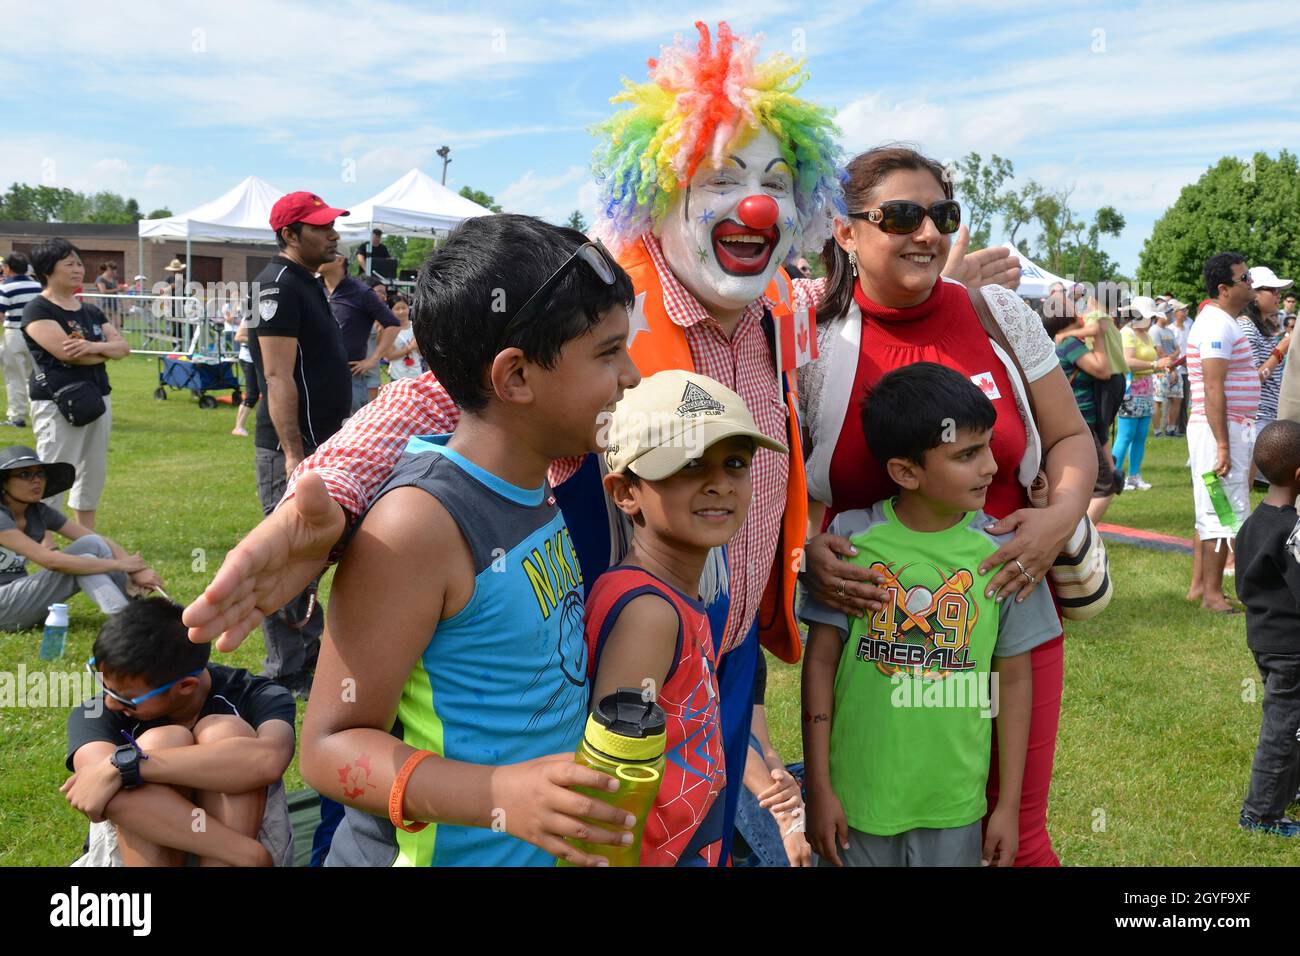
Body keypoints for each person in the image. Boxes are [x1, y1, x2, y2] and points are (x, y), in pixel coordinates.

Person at [183, 21, 1018, 865]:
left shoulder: (780, 313)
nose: (755, 204)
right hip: (604, 671)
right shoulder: (609, 298)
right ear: (656, 190)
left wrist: (942, 275)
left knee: (697, 837)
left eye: (774, 181)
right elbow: (442, 389)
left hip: (719, 653)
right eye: (720, 178)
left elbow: (850, 322)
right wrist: (319, 496)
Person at [300, 214, 642, 866]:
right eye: (607, 352)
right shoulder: (419, 525)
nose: (630, 376)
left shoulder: (540, 480)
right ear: (515, 378)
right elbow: (329, 747)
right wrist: (496, 793)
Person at [795, 145, 1094, 867]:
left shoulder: (998, 315)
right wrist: (806, 549)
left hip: (1007, 606)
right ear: (845, 230)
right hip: (878, 639)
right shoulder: (808, 331)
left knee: (1015, 837)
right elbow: (781, 475)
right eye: (901, 215)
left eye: (943, 215)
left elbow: (1070, 437)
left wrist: (1057, 523)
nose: (928, 233)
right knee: (877, 818)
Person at [800, 363, 1058, 867]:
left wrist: (1005, 806)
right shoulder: (850, 544)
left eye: (987, 446)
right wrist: (820, 788)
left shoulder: (1005, 554)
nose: (988, 467)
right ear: (905, 472)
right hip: (856, 805)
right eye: (966, 454)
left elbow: (1013, 682)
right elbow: (821, 666)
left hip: (954, 807)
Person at [589, 369, 787, 865]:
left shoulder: (677, 595)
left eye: (735, 462)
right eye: (690, 464)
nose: (720, 484)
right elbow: (611, 783)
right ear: (626, 491)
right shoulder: (649, 614)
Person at [62, 599, 295, 866]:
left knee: (225, 731)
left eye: (125, 697)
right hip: (236, 853)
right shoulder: (96, 711)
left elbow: (267, 760)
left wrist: (125, 766)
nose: (110, 702)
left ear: (185, 686)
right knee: (163, 740)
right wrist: (242, 852)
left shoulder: (258, 694)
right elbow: (94, 792)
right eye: (103, 685)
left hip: (242, 841)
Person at [246, 191, 352, 695]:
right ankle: (287, 669)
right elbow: (276, 375)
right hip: (296, 448)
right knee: (288, 552)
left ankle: (309, 657)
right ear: (291, 235)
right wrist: (293, 452)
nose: (333, 234)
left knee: (314, 549)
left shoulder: (305, 282)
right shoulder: (276, 285)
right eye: (321, 227)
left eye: (333, 225)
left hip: (322, 444)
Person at [23, 238, 129, 530]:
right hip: (57, 402)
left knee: (93, 470)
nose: (78, 269)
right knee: (54, 470)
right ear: (48, 270)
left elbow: (123, 348)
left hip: (97, 399)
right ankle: (41, 538)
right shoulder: (38, 310)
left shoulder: (90, 310)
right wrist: (104, 350)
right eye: (69, 264)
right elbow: (67, 355)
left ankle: (87, 534)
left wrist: (94, 348)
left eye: (79, 263)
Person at [0, 445, 161, 629]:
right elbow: (51, 561)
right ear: (4, 483)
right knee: (81, 561)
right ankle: (128, 624)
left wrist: (137, 570)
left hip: (19, 597)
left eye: (40, 473)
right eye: (25, 475)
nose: (36, 480)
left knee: (92, 544)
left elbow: (99, 541)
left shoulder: (39, 512)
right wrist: (119, 565)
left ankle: (136, 610)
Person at [1234, 419, 1300, 836]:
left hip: (1264, 639)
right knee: (1283, 726)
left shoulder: (1252, 524)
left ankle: (1287, 789)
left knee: (1293, 722)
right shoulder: (1291, 531)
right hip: (1291, 647)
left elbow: (1245, 584)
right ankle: (1259, 815)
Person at [1186, 252, 1258, 614]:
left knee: (1225, 510)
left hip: (1226, 428)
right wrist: (1224, 445)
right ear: (1224, 289)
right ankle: (1212, 595)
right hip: (1218, 429)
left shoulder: (1222, 321)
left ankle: (1209, 590)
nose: (1251, 284)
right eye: (1245, 279)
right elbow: (1214, 387)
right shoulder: (1216, 325)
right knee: (1219, 508)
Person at [1043, 297, 1118, 523]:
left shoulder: (1066, 341)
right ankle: (1078, 539)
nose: (1078, 309)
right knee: (1105, 487)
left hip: (1080, 422)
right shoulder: (1070, 345)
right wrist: (1099, 337)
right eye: (1072, 306)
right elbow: (1102, 370)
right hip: (1082, 423)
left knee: (1085, 485)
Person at [317, 254, 399, 414]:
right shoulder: (314, 287)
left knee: (347, 430)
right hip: (316, 374)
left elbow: (393, 324)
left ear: (340, 260)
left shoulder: (361, 292)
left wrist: (373, 360)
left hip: (349, 377)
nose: (317, 257)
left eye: (326, 254)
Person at [1112, 296, 1173, 491]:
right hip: (1130, 391)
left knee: (1139, 436)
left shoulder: (1145, 335)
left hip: (1146, 390)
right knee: (1125, 435)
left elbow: (1148, 363)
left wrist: (1160, 367)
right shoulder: (1127, 333)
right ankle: (1114, 475)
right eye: (1151, 317)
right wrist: (1155, 365)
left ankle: (1134, 476)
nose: (1152, 321)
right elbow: (1127, 361)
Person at [1242, 266, 1293, 437]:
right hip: (1254, 417)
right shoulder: (1246, 328)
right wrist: (1280, 351)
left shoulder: (1265, 328)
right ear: (1254, 294)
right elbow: (1254, 378)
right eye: (1273, 290)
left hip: (1268, 414)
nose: (1279, 295)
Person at [0, 252, 41, 428]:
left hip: (14, 333)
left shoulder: (5, 288)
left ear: (8, 268)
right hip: (37, 334)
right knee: (36, 376)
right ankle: (40, 412)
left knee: (14, 376)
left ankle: (17, 416)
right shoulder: (39, 287)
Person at [1150, 305, 1178, 437]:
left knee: (1177, 398)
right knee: (1158, 400)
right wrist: (1171, 362)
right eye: (1169, 313)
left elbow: (1177, 349)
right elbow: (1159, 351)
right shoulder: (1154, 330)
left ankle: (1171, 429)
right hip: (1160, 371)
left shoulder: (1169, 331)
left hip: (1172, 368)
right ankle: (1157, 431)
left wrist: (1172, 364)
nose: (1171, 316)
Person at [384, 294, 423, 382]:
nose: (401, 311)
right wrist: (409, 348)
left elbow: (422, 353)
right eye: (397, 309)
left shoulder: (415, 327)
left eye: (404, 308)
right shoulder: (389, 330)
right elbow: (389, 356)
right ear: (391, 311)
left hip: (416, 375)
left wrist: (420, 345)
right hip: (397, 376)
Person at [231, 316, 258, 438]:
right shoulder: (250, 317)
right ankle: (238, 427)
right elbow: (239, 336)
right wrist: (259, 339)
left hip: (255, 359)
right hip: (248, 359)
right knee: (252, 394)